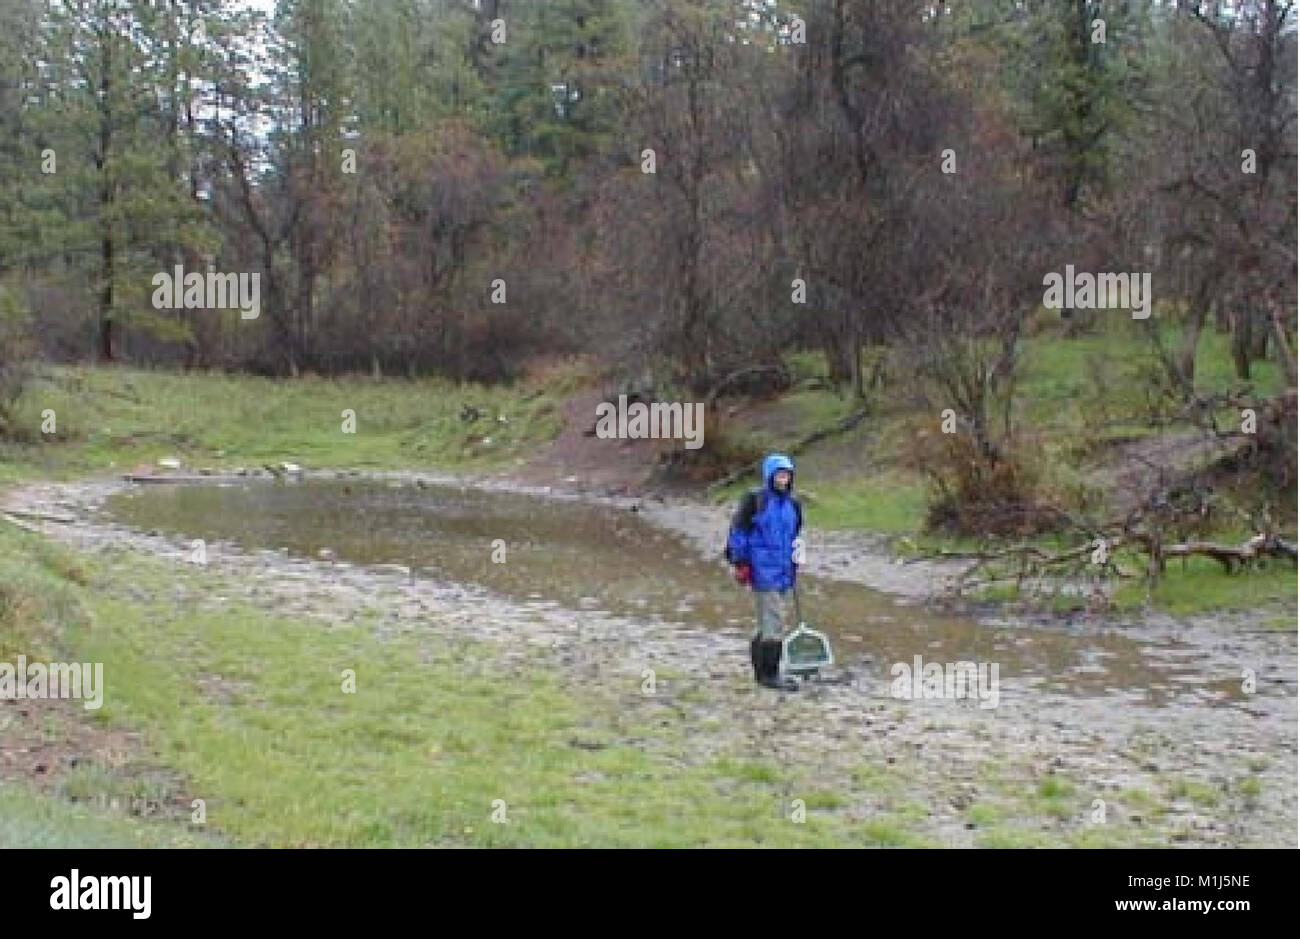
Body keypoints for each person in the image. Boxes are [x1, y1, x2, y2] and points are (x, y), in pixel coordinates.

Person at [725, 452, 802, 691]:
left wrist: (798, 554)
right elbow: (738, 532)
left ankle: (760, 672)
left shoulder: (793, 505)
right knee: (774, 623)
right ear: (770, 475)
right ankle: (770, 674)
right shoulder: (756, 501)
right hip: (762, 569)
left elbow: (796, 535)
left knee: (768, 621)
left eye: (787, 475)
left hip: (783, 571)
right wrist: (741, 562)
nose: (783, 479)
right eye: (779, 474)